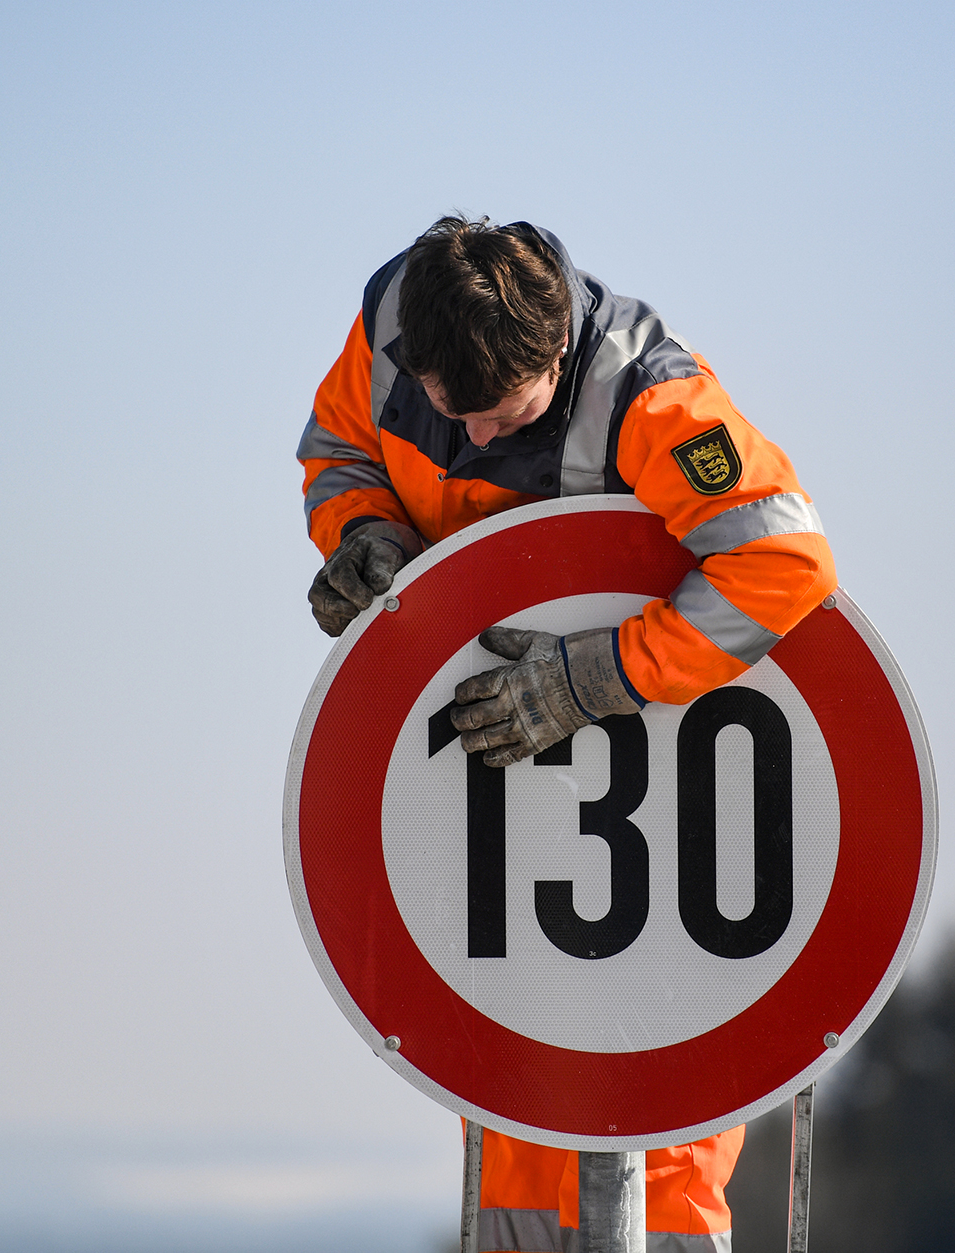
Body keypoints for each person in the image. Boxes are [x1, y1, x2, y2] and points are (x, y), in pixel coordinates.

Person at [298, 216, 836, 1252]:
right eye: (456, 411)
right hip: (496, 816)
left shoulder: (651, 397)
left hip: (664, 832)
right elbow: (335, 453)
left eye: (503, 414)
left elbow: (784, 562)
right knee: (508, 1118)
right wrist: (364, 534)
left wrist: (601, 677)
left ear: (554, 355)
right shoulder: (385, 326)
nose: (480, 440)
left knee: (660, 1135)